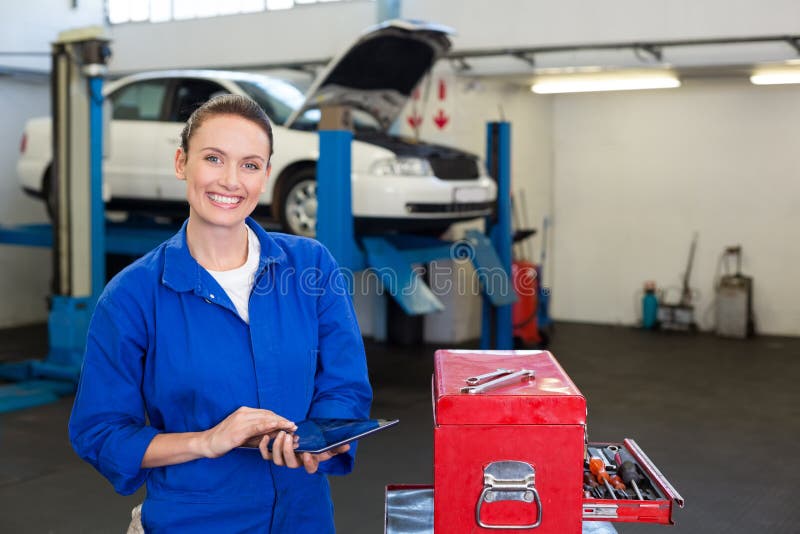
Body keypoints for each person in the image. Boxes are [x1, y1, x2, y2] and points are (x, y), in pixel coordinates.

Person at [69, 94, 372, 533]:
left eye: (250, 165)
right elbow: (101, 432)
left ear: (266, 176)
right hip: (193, 521)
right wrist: (208, 441)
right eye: (214, 158)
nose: (231, 181)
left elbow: (344, 388)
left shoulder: (311, 267)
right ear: (181, 163)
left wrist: (322, 440)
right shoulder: (133, 296)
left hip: (303, 518)